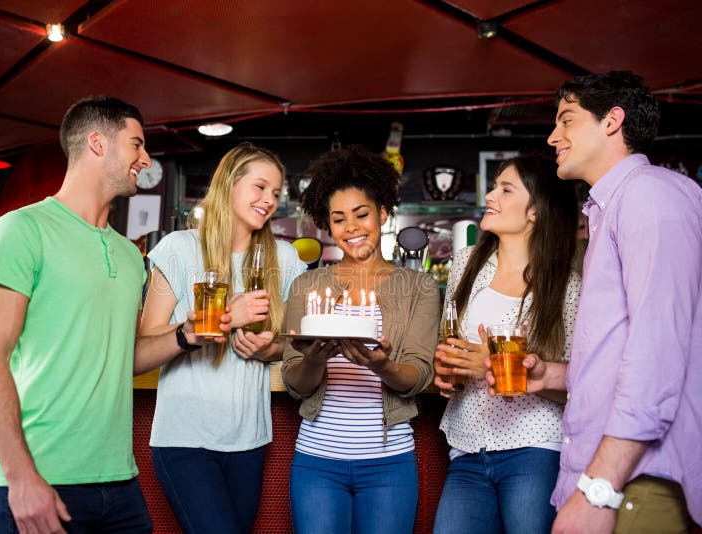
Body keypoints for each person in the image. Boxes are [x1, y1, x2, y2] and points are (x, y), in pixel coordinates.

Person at [525, 70, 702, 533]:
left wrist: (600, 488)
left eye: (566, 120)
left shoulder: (651, 194)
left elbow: (657, 354)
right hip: (614, 478)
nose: (553, 136)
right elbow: (621, 354)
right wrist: (552, 376)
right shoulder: (613, 208)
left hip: (637, 480)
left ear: (612, 121)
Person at [0, 96, 154, 533]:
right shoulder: (21, 230)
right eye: (136, 145)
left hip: (121, 482)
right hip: (42, 477)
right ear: (97, 143)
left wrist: (189, 336)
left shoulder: (130, 256)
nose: (146, 159)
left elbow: (121, 359)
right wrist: (20, 477)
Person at [136, 143, 306, 534]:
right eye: (260, 187)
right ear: (229, 183)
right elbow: (142, 349)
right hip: (184, 439)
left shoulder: (286, 258)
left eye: (276, 193)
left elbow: (297, 342)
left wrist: (271, 349)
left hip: (250, 440)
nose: (269, 200)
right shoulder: (179, 249)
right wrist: (229, 314)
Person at [282, 145, 439, 534]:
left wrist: (380, 364)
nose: (351, 227)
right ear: (327, 225)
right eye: (338, 219)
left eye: (361, 214)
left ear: (383, 213)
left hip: (389, 464)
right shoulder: (307, 285)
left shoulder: (419, 287)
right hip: (317, 461)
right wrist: (315, 360)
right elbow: (294, 384)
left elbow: (419, 377)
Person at [431, 154, 581, 534]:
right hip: (466, 448)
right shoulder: (465, 264)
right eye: (494, 186)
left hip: (534, 449)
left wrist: (493, 361)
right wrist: (444, 372)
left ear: (536, 211)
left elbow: (583, 387)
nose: (491, 195)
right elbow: (449, 345)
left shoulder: (567, 285)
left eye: (505, 188)